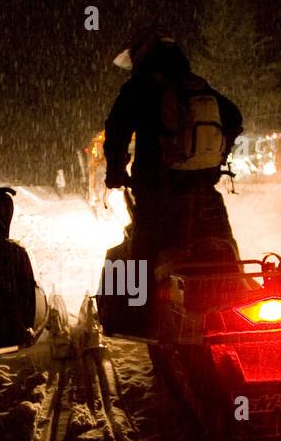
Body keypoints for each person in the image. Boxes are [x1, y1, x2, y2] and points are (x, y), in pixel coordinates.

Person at [102, 30, 243, 279]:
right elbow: (233, 116)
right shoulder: (197, 85)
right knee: (226, 257)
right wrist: (217, 155)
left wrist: (115, 172)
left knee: (139, 269)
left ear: (141, 59)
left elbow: (116, 129)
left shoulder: (140, 88)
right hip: (205, 193)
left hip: (158, 195)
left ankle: (139, 316)